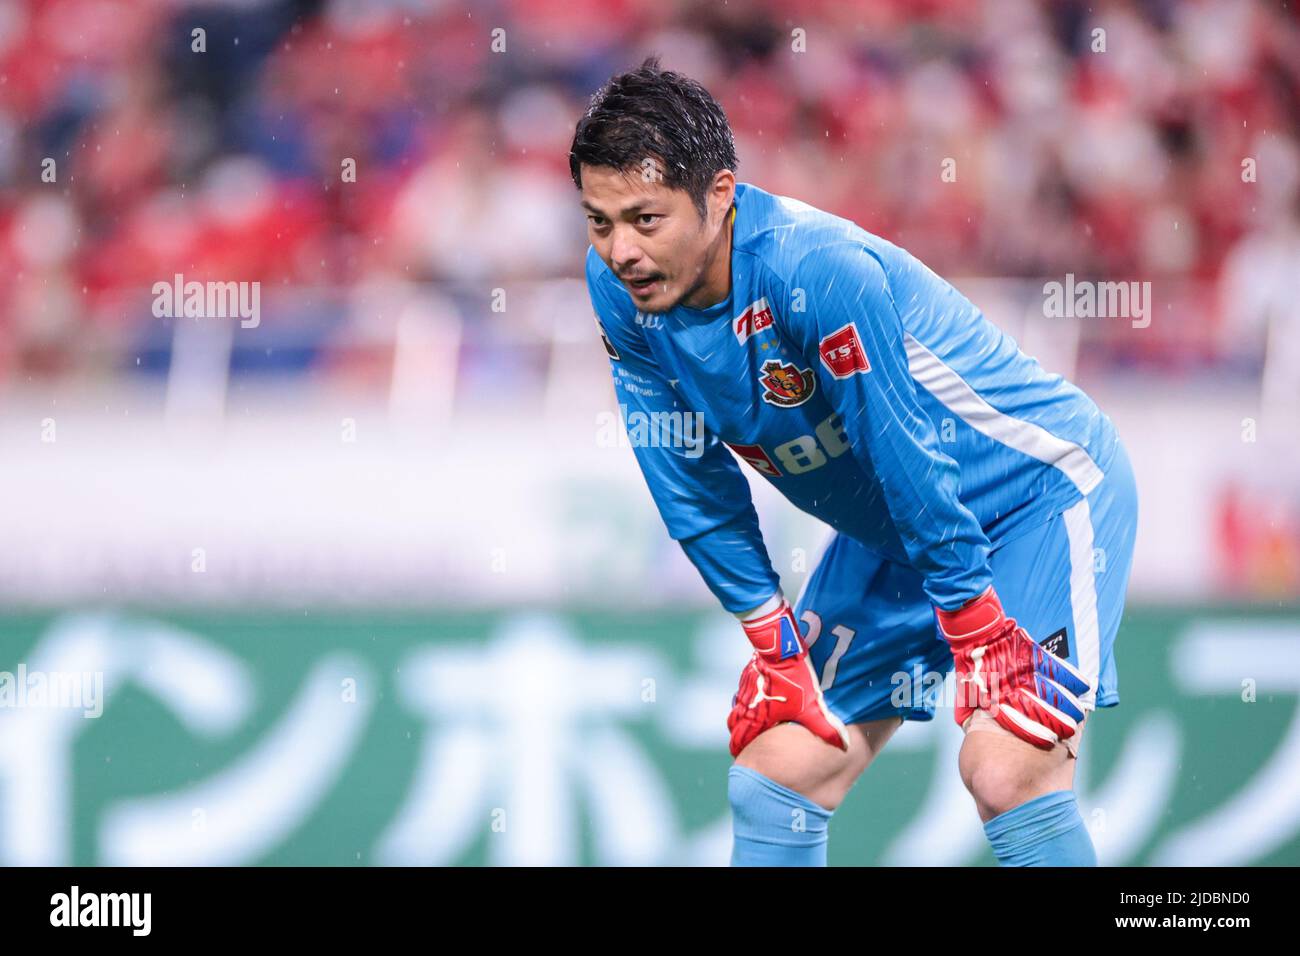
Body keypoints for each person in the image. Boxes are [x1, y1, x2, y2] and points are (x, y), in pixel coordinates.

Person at [570, 57, 1138, 866]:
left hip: (1038, 497)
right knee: (777, 773)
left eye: (645, 219)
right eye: (599, 222)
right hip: (907, 530)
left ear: (720, 195)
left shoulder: (816, 272)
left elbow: (904, 449)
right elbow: (684, 467)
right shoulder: (621, 290)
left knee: (1004, 770)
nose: (621, 250)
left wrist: (977, 625)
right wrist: (770, 639)